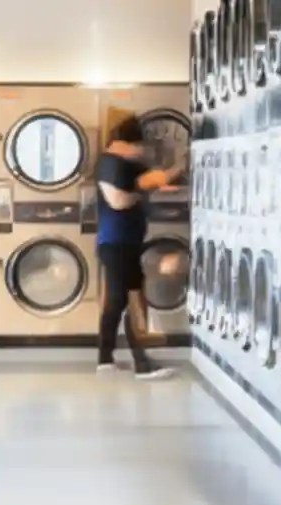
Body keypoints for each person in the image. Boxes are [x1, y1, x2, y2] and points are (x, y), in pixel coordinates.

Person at [95, 113, 183, 379]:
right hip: (116, 242)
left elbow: (157, 179)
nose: (142, 151)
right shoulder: (111, 163)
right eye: (139, 146)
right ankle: (139, 364)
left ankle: (107, 360)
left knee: (122, 300)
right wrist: (143, 190)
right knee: (127, 300)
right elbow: (118, 200)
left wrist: (181, 165)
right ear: (124, 143)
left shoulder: (124, 164)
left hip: (126, 242)